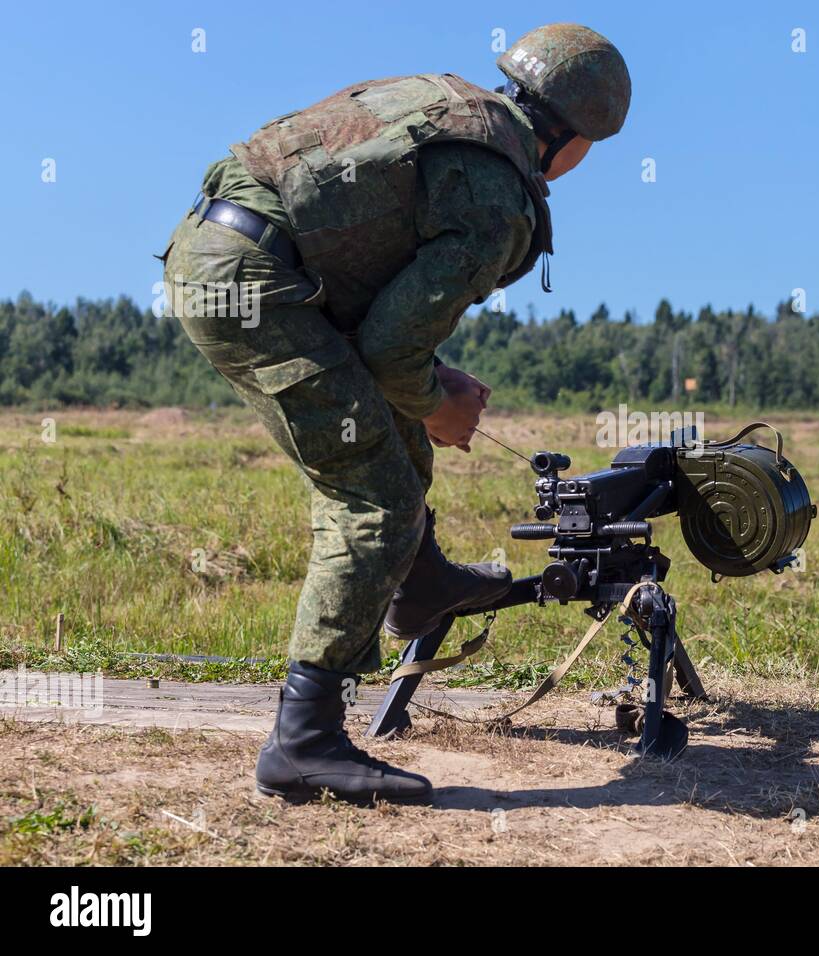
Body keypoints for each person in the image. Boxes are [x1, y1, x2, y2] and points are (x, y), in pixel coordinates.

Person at [159, 24, 631, 803]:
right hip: (260, 289)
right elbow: (390, 346)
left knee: (388, 435)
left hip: (224, 251)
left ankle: (422, 585)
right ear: (575, 140)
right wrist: (439, 401)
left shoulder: (446, 101)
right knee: (373, 498)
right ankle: (304, 742)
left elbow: (370, 283)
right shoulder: (500, 198)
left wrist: (428, 380)